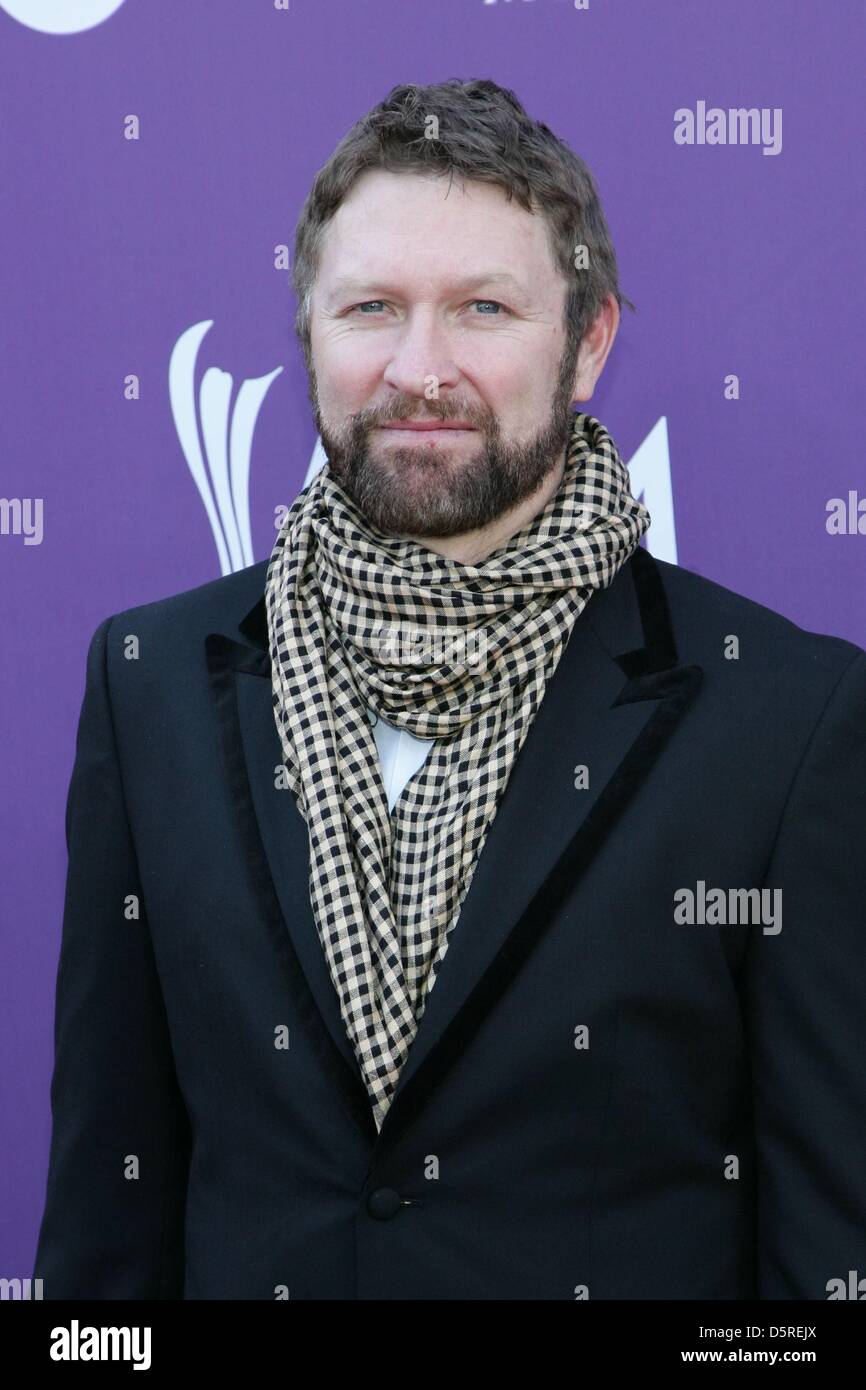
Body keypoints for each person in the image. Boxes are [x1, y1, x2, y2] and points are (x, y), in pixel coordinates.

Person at [34, 78, 866, 1300]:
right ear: (309, 332)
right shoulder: (148, 683)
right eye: (372, 307)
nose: (420, 370)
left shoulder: (784, 720)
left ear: (587, 343)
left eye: (483, 307)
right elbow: (107, 1217)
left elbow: (824, 1252)